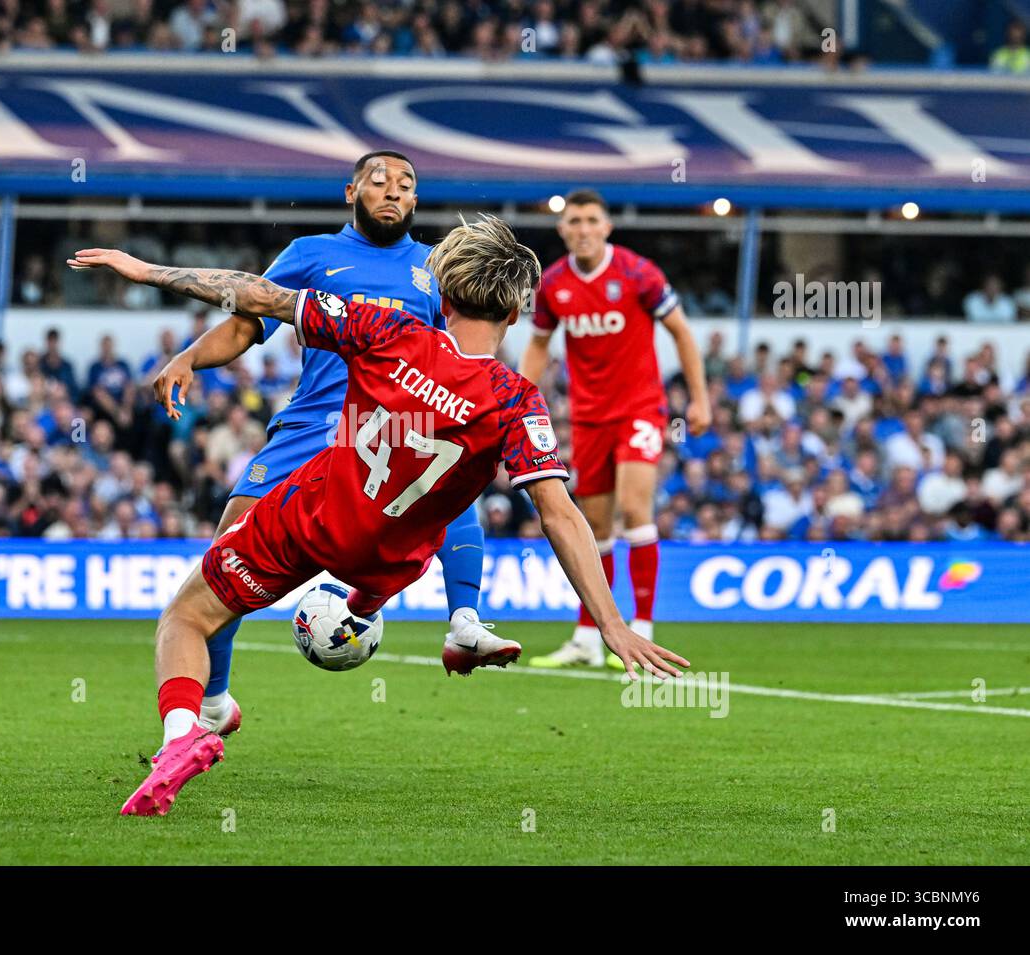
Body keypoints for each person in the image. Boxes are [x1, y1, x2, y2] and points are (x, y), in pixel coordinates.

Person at [67, 215, 690, 817]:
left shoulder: (385, 330)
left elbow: (254, 292)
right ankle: (456, 622)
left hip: (312, 520)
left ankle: (184, 734)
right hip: (393, 559)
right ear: (514, 313)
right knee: (450, 504)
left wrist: (147, 271)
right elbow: (559, 513)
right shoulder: (516, 401)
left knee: (187, 616)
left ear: (441, 296)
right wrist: (612, 622)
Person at [150, 151, 500, 740]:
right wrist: (190, 356)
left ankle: (464, 619)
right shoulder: (311, 254)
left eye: (405, 185)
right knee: (227, 552)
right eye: (378, 181)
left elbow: (465, 349)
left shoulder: (436, 269)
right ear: (350, 192)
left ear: (415, 201)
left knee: (452, 487)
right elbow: (246, 322)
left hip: (391, 425)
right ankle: (213, 701)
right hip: (314, 423)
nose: (392, 191)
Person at [520, 189, 710, 669]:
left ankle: (641, 627)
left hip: (640, 409)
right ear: (562, 230)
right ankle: (587, 636)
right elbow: (539, 344)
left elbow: (682, 332)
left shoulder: (637, 273)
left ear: (606, 227)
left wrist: (700, 398)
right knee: (596, 526)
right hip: (588, 417)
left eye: (591, 220)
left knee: (633, 507)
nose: (582, 229)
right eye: (574, 221)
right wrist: (517, 396)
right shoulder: (554, 284)